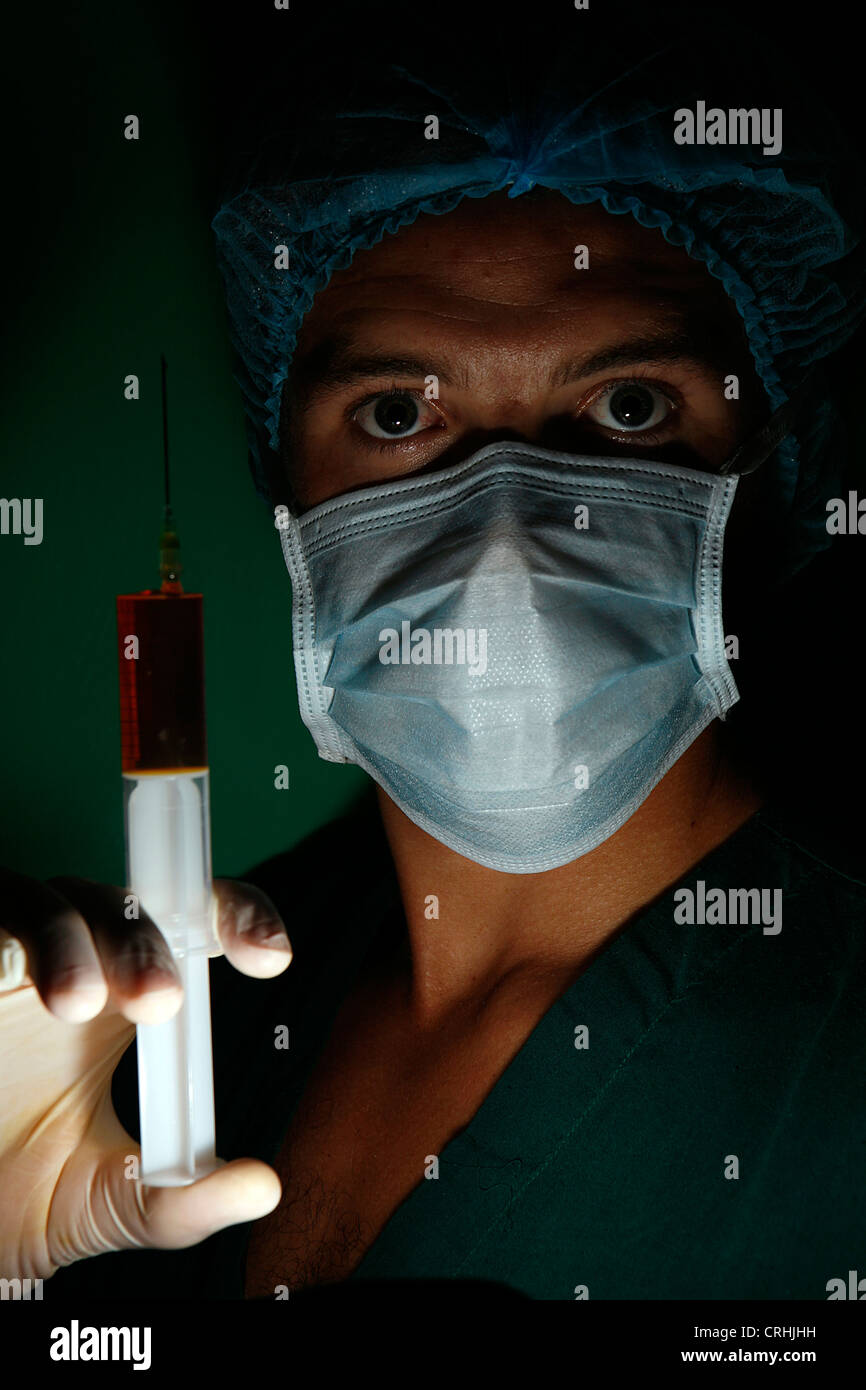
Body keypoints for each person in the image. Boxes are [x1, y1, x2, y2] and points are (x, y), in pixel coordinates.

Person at [2, 6, 864, 1302]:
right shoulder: (164, 1008)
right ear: (288, 487)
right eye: (398, 412)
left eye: (625, 407)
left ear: (760, 468)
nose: (508, 537)